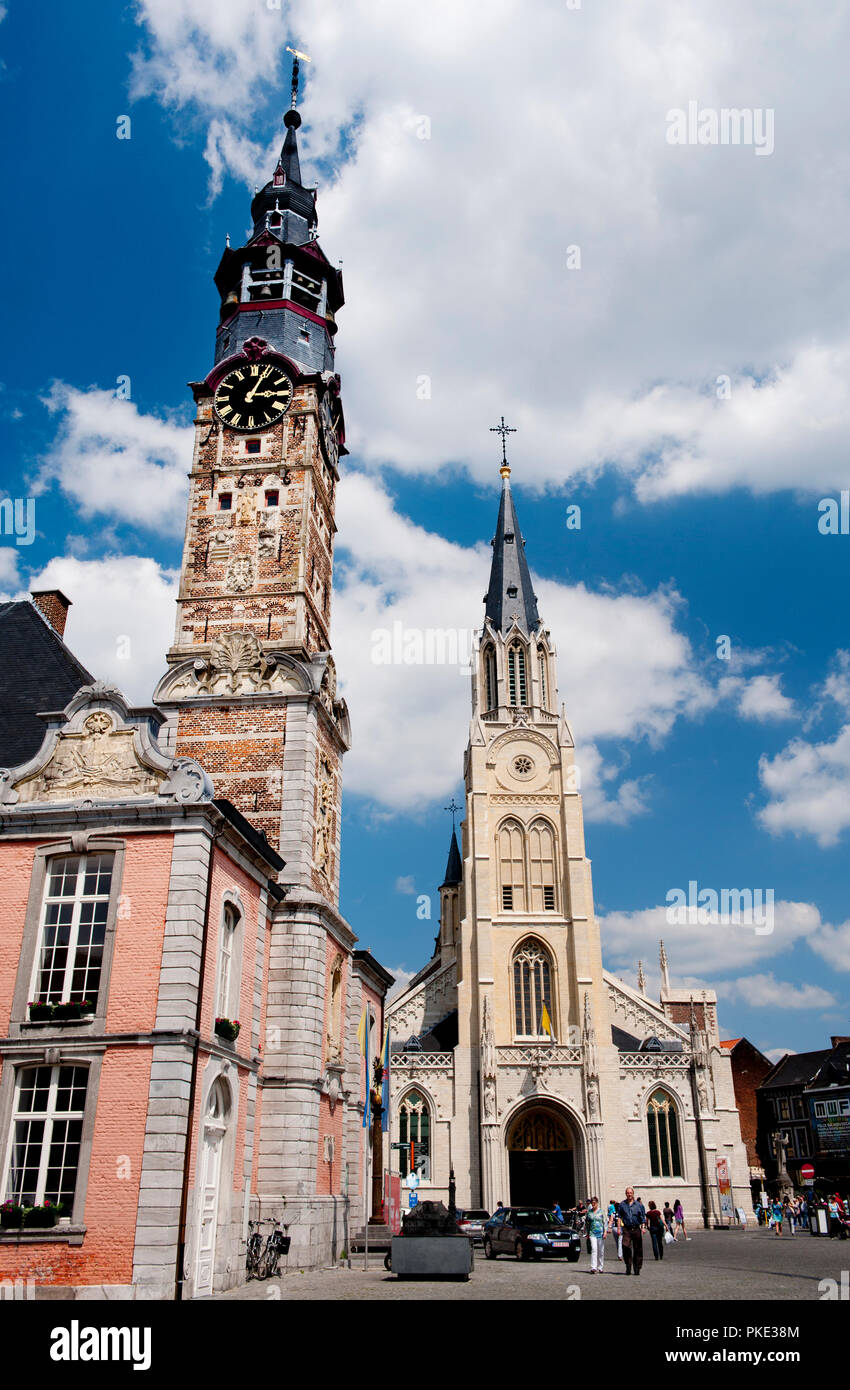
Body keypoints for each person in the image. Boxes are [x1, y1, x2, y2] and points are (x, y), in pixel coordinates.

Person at [617, 1187, 646, 1276]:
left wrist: (643, 1227)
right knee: (625, 1246)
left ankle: (637, 1268)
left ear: (633, 1194)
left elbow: (642, 1217)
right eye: (627, 1193)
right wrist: (618, 1228)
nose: (629, 1194)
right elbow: (619, 1217)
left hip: (636, 1228)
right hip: (626, 1229)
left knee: (638, 1249)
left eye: (630, 1193)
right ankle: (628, 1265)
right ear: (626, 1194)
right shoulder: (622, 1205)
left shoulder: (639, 1205)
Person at [585, 1196, 610, 1273]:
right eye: (592, 1203)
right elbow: (587, 1223)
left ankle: (600, 1266)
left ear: (597, 1203)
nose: (593, 1204)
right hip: (592, 1233)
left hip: (600, 1233)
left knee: (601, 1250)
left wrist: (605, 1231)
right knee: (594, 1249)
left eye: (594, 1203)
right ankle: (593, 1267)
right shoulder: (589, 1213)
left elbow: (605, 1222)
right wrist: (587, 1233)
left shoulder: (601, 1211)